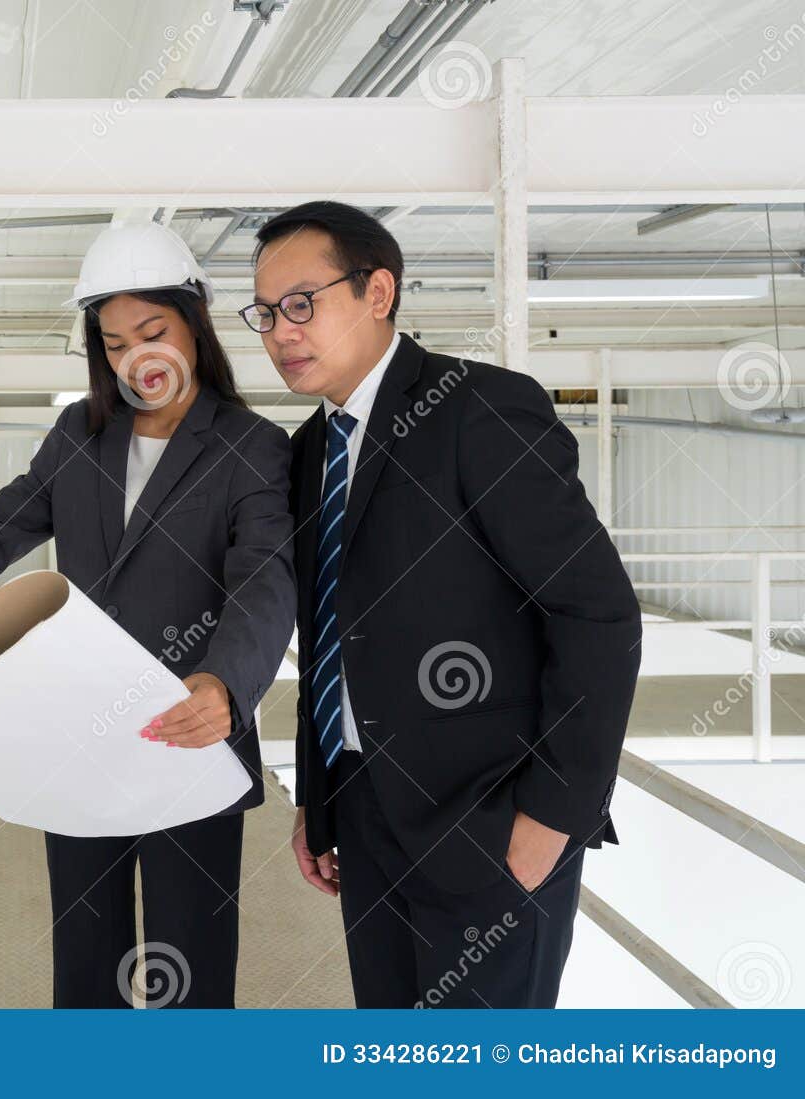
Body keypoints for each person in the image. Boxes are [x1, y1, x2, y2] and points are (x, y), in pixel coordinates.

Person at [0, 221, 296, 1008]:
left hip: (189, 739)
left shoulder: (253, 447)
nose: (136, 356)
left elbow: (264, 582)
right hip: (86, 741)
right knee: (84, 958)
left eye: (153, 331)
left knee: (194, 968)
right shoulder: (81, 435)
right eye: (112, 342)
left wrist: (228, 686)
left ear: (195, 321)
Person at [250, 201, 641, 1008]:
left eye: (302, 303)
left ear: (377, 291)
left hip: (493, 823)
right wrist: (318, 801)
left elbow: (596, 614)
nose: (280, 331)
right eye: (264, 313)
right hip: (363, 818)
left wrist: (552, 816)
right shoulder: (306, 452)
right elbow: (331, 636)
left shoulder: (481, 410)